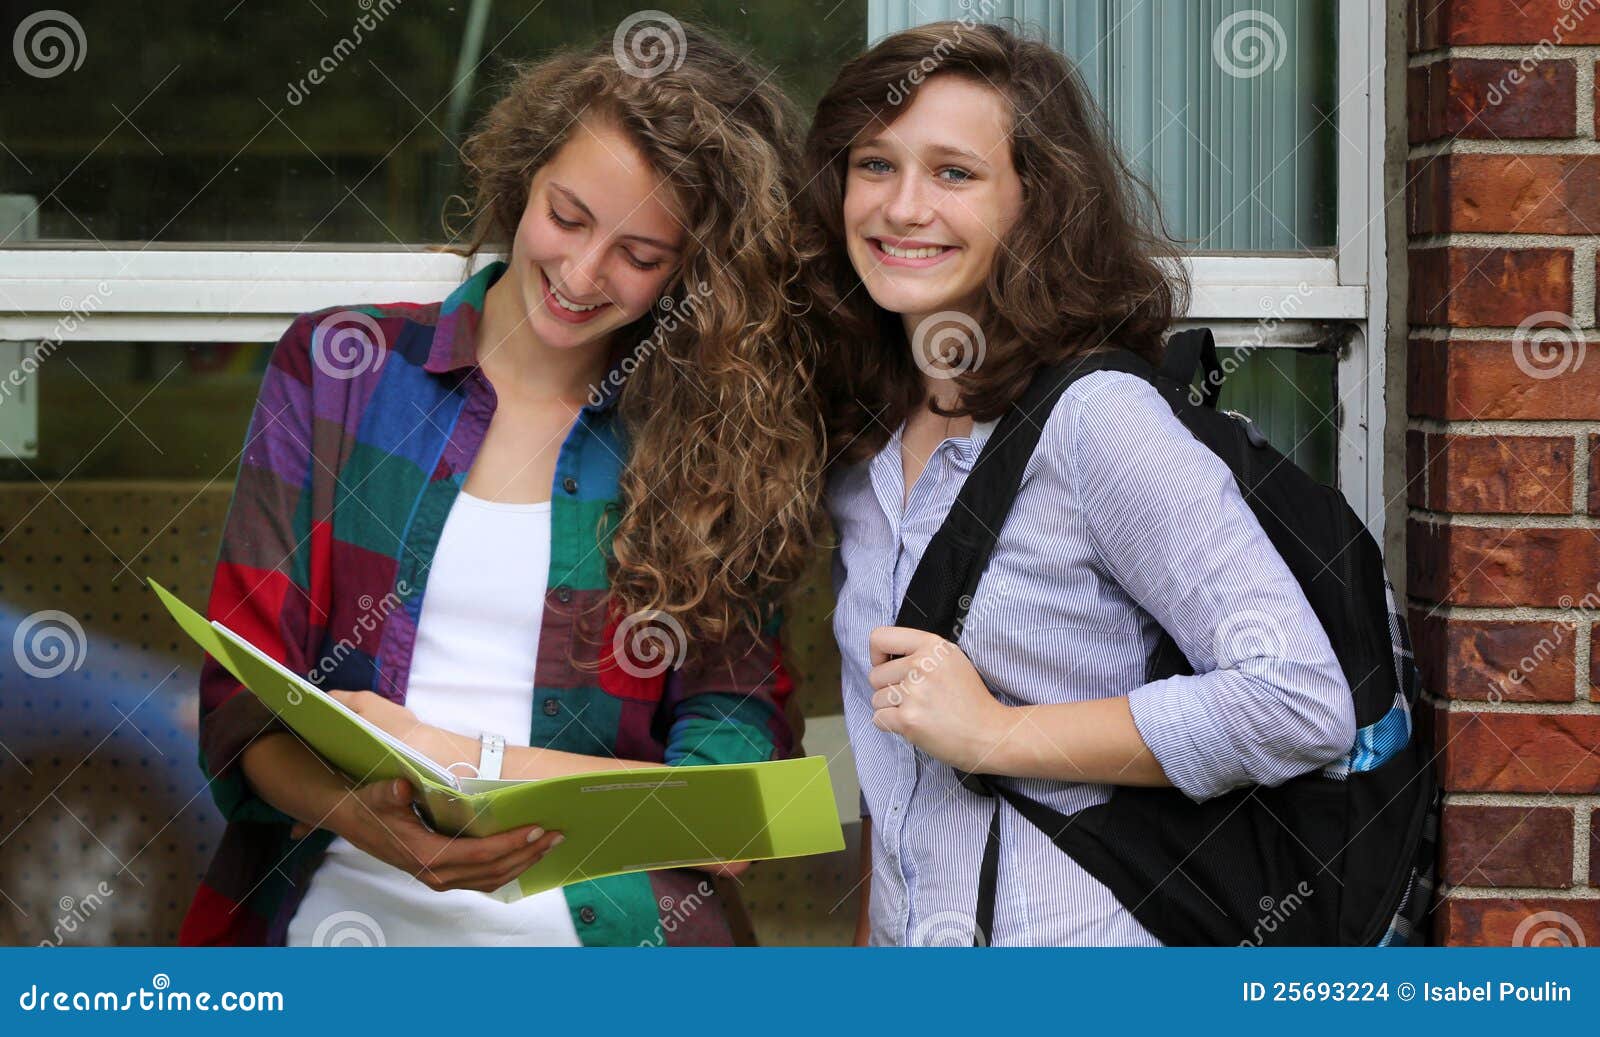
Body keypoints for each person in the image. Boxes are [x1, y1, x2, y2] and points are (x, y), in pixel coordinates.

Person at [180, 23, 823, 947]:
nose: (582, 272)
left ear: (697, 272)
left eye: (642, 256)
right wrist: (374, 821)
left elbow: (733, 810)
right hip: (336, 918)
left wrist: (465, 761)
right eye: (567, 217)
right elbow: (244, 707)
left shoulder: (713, 445)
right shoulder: (340, 369)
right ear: (523, 180)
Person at [798, 21, 1354, 947]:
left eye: (954, 173)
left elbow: (1297, 699)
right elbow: (900, 780)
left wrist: (998, 737)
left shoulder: (1098, 422)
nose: (901, 207)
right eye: (874, 165)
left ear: (1033, 202)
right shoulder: (864, 442)